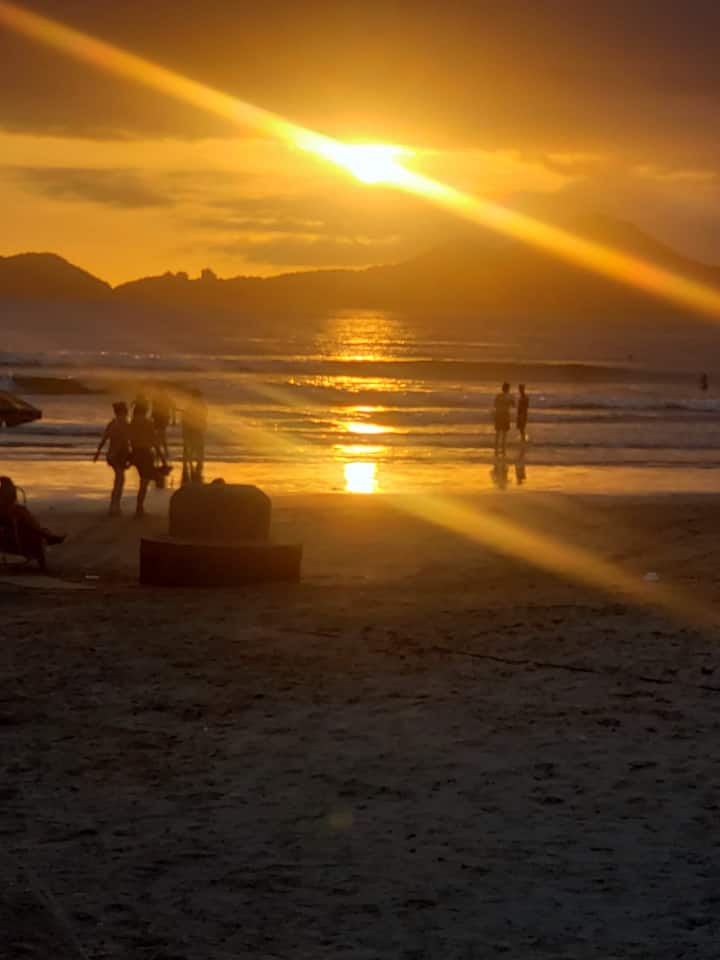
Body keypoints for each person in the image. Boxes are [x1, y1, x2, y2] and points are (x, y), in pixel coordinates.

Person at [0, 476, 65, 572]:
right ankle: (47, 536)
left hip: (14, 529)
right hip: (11, 531)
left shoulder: (16, 509)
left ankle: (46, 535)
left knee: (30, 526)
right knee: (30, 525)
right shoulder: (14, 510)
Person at [93, 401, 130, 516]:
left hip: (112, 454)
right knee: (120, 480)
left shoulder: (112, 423)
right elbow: (127, 440)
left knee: (118, 480)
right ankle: (115, 506)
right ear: (124, 412)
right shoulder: (124, 423)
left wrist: (97, 453)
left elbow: (104, 439)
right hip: (120, 455)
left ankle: (114, 505)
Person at [128, 402, 162, 517]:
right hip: (145, 454)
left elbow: (128, 439)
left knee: (142, 480)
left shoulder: (132, 423)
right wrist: (162, 457)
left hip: (135, 453)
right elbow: (155, 441)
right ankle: (139, 507)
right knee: (144, 482)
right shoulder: (148, 423)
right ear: (145, 411)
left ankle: (137, 507)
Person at [181, 389, 208, 484]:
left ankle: (189, 465)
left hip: (191, 430)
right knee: (198, 449)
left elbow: (184, 420)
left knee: (190, 449)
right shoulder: (202, 406)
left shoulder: (190, 406)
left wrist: (184, 430)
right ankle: (196, 467)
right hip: (197, 430)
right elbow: (203, 418)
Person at [151, 390, 173, 461]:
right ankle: (164, 452)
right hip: (161, 420)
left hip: (160, 420)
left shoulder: (157, 398)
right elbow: (172, 407)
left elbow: (153, 410)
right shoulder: (165, 398)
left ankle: (161, 452)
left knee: (159, 436)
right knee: (161, 436)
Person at [493, 382, 514, 457]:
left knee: (498, 433)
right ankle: (503, 450)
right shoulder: (510, 396)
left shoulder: (498, 396)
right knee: (504, 434)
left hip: (498, 415)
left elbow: (495, 405)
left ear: (502, 388)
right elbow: (513, 405)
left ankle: (496, 449)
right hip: (505, 415)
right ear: (508, 389)